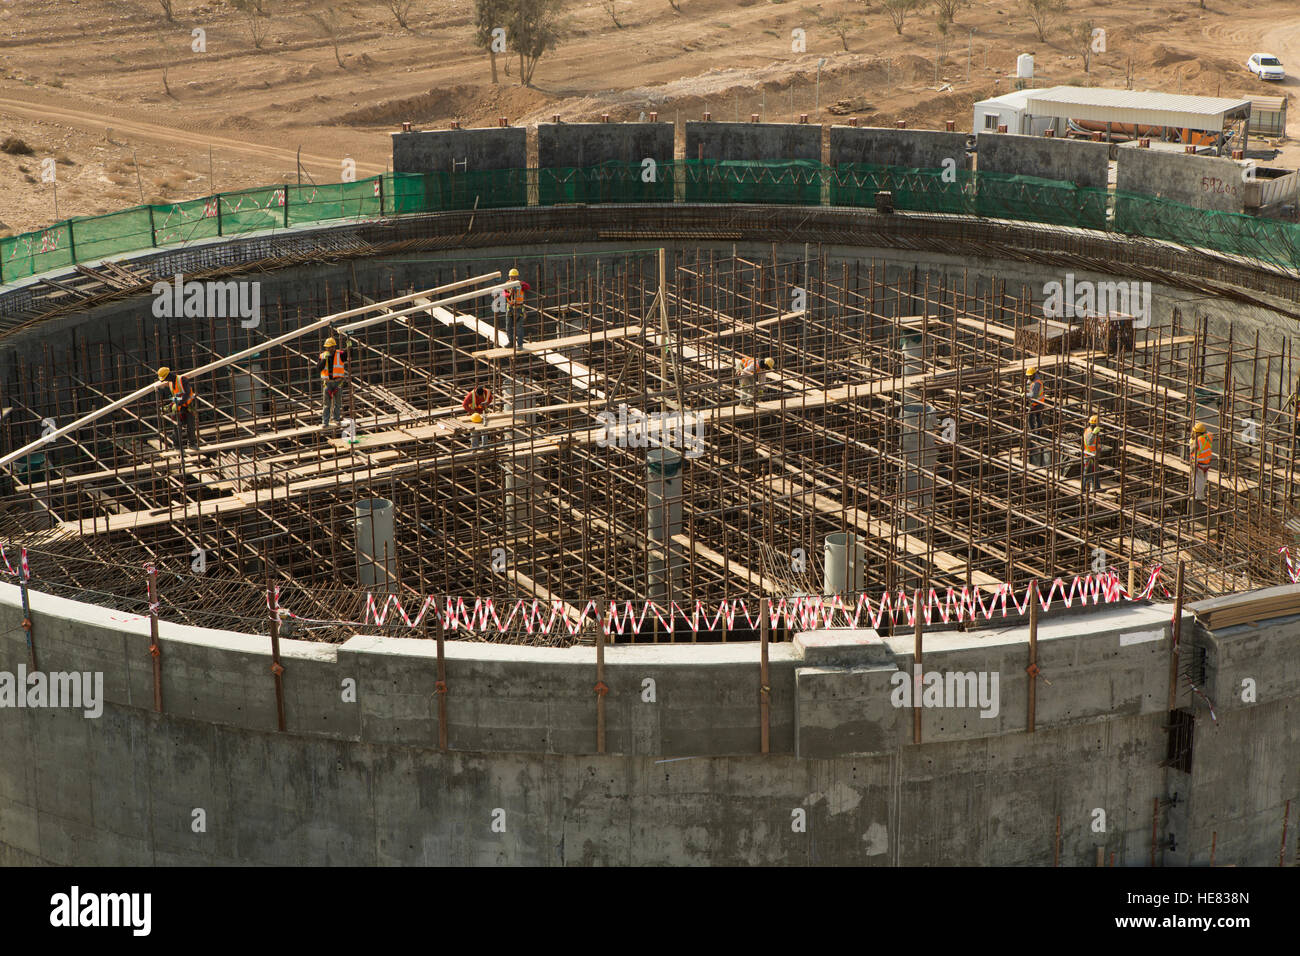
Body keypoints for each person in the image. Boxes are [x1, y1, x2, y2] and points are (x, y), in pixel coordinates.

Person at [157, 367, 199, 449]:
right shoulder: (170, 383)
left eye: (165, 378)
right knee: (176, 426)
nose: (165, 380)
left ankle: (192, 444)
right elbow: (176, 395)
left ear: (168, 375)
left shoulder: (182, 379)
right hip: (178, 407)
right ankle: (176, 445)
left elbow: (187, 393)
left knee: (190, 425)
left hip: (187, 406)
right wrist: (170, 405)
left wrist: (179, 403)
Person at [316, 334, 350, 428]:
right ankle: (325, 422)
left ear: (334, 347)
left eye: (331, 347)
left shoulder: (340, 354)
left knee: (338, 403)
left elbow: (348, 354)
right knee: (326, 404)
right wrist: (324, 359)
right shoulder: (322, 356)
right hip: (327, 383)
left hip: (338, 382)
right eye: (328, 347)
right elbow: (319, 368)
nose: (329, 349)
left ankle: (336, 419)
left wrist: (349, 345)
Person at [504, 267, 532, 349]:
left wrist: (520, 284)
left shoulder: (520, 284)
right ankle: (511, 342)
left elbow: (528, 287)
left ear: (517, 277)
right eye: (511, 277)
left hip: (519, 308)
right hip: (510, 308)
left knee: (519, 328)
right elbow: (504, 294)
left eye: (514, 277)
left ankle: (520, 345)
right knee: (508, 326)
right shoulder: (507, 284)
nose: (512, 279)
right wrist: (510, 294)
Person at [1189, 422, 1213, 507]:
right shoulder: (1208, 437)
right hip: (1206, 463)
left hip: (1198, 463)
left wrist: (1192, 440)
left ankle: (1199, 496)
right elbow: (1209, 433)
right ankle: (1201, 495)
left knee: (1197, 480)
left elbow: (1191, 450)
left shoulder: (1197, 441)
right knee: (1202, 481)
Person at [1081, 414, 1101, 493]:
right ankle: (1082, 489)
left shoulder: (1092, 431)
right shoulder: (1090, 432)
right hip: (1089, 456)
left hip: (1093, 455)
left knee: (1095, 471)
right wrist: (1094, 433)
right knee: (1086, 473)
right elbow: (1089, 442)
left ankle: (1097, 487)